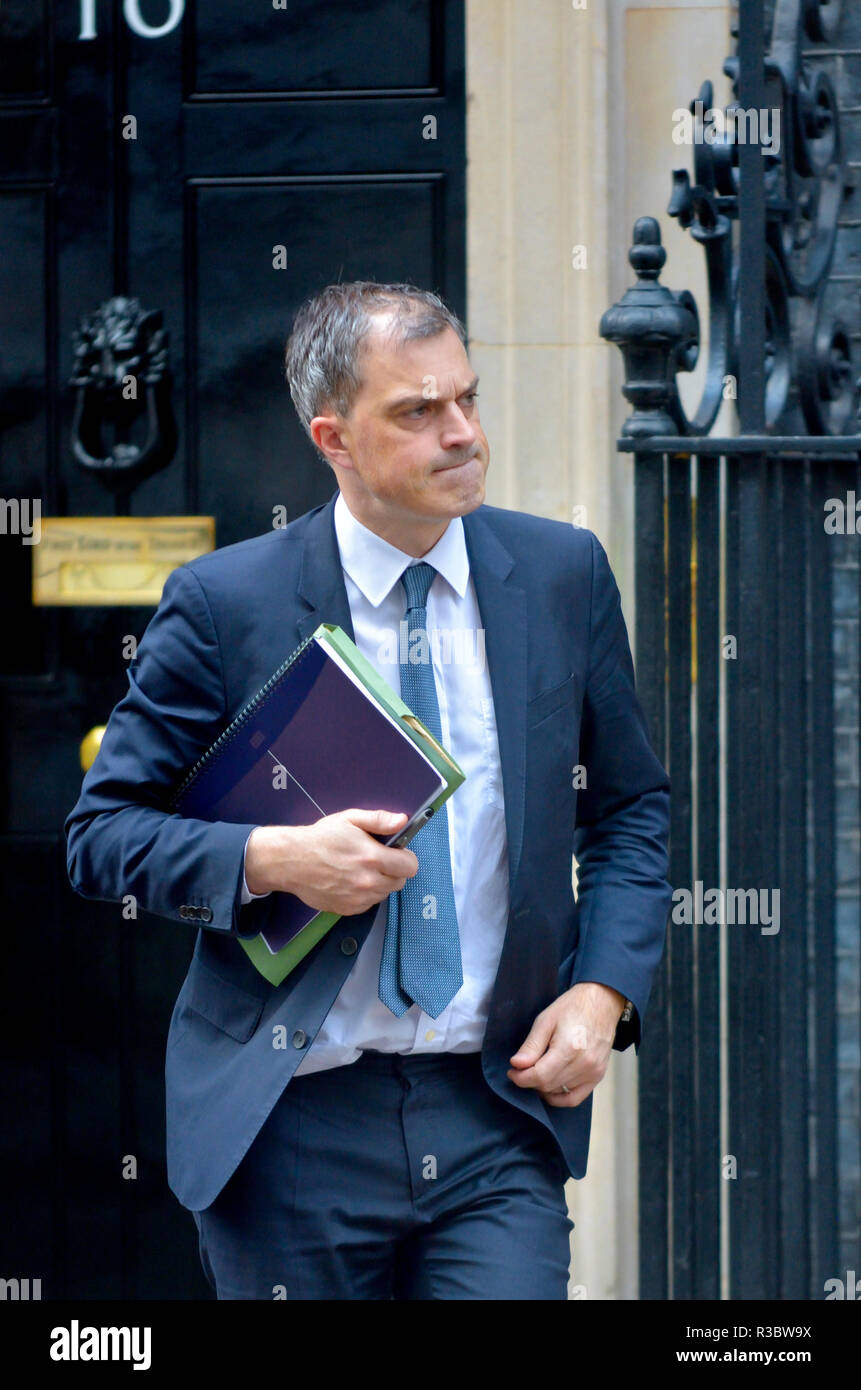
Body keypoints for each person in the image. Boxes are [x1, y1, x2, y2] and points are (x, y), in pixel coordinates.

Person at [65, 281, 672, 1300]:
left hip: (494, 1110)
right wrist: (270, 860)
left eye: (467, 400)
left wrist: (602, 991)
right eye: (419, 412)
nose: (462, 434)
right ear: (333, 436)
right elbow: (101, 834)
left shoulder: (563, 572)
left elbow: (629, 808)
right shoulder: (228, 602)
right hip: (291, 1121)